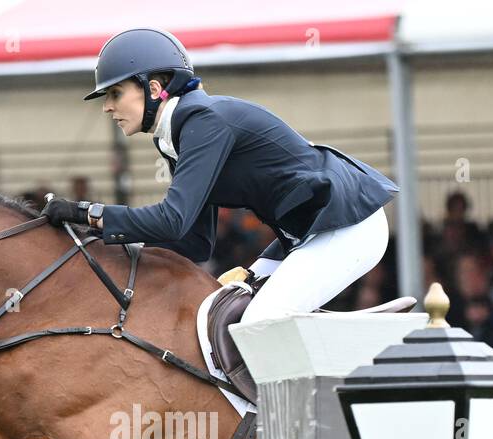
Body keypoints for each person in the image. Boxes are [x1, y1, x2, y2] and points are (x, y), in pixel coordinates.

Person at [42, 28, 399, 325]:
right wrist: (96, 241)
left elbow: (171, 220)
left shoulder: (202, 121)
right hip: (307, 233)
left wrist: (87, 214)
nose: (107, 106)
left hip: (349, 226)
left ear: (153, 89)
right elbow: (193, 241)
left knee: (258, 323)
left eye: (116, 93)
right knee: (228, 313)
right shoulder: (176, 137)